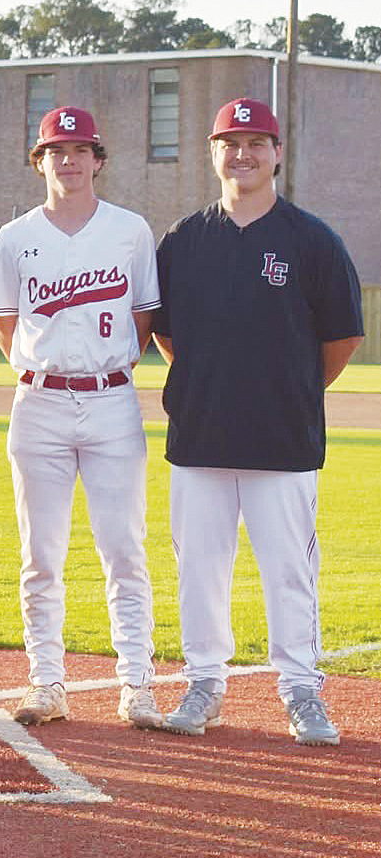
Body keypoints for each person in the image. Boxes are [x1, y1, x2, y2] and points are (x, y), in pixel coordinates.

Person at [151, 97, 364, 746]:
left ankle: (300, 690)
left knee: (289, 573)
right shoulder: (185, 240)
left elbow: (341, 340)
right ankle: (203, 684)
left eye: (254, 142)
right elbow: (164, 335)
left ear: (275, 153)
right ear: (212, 152)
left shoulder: (310, 239)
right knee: (199, 570)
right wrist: (211, 387)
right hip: (200, 437)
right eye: (228, 142)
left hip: (282, 441)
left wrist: (289, 391)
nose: (241, 154)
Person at [0, 106, 162, 729]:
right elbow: (4, 324)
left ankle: (136, 684)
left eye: (79, 149)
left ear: (98, 159)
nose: (68, 160)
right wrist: (47, 369)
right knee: (41, 555)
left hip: (112, 400)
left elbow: (143, 319)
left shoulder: (130, 231)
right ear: (40, 162)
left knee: (125, 550)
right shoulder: (16, 237)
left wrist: (101, 367)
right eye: (55, 151)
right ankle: (46, 682)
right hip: (39, 402)